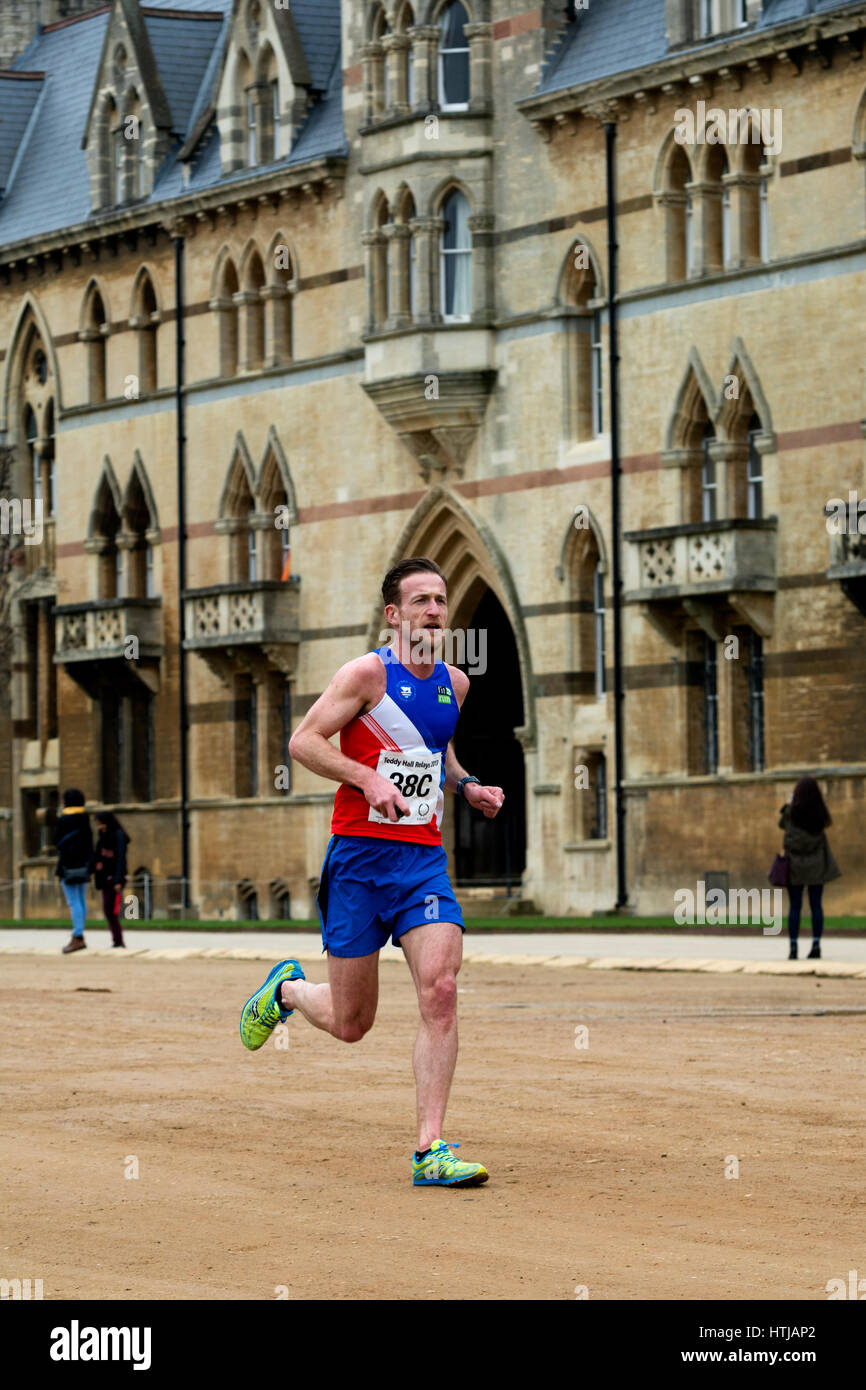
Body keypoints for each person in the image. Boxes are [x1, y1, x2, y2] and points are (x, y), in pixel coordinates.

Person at [239, 557, 505, 1186]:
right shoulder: (365, 674)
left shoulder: (455, 685)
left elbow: (434, 747)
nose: (435, 611)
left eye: (440, 600)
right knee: (353, 1023)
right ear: (394, 614)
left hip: (421, 862)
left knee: (440, 990)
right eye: (421, 601)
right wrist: (364, 777)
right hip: (357, 860)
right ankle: (287, 991)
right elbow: (304, 741)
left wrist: (466, 787)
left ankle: (429, 1150)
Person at [779, 776, 840, 960]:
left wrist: (788, 804)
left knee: (795, 907)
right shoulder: (819, 814)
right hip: (816, 865)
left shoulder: (790, 813)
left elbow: (781, 825)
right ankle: (816, 945)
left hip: (795, 866)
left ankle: (793, 948)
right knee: (816, 906)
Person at [53, 788, 94, 954]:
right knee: (81, 901)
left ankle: (77, 936)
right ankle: (79, 934)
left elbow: (57, 842)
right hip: (82, 865)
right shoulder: (84, 818)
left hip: (68, 866)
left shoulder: (64, 819)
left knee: (73, 902)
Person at [94, 811, 130, 948]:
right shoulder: (102, 837)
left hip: (116, 879)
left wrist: (118, 880)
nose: (99, 827)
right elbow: (98, 856)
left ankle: (119, 941)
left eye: (101, 824)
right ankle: (116, 941)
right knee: (107, 910)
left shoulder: (118, 836)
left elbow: (121, 859)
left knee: (112, 911)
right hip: (105, 879)